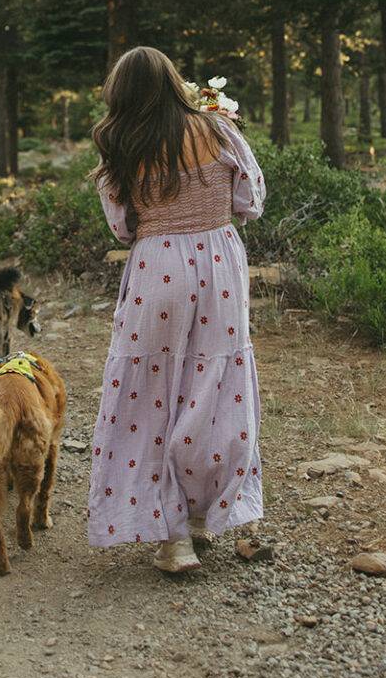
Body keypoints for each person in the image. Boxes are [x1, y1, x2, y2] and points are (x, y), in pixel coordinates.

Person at [86, 47, 266, 573]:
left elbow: (122, 227)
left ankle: (173, 539)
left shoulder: (118, 144)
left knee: (151, 394)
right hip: (220, 265)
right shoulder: (218, 130)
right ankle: (219, 512)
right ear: (173, 83)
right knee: (216, 386)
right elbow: (250, 199)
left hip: (156, 268)